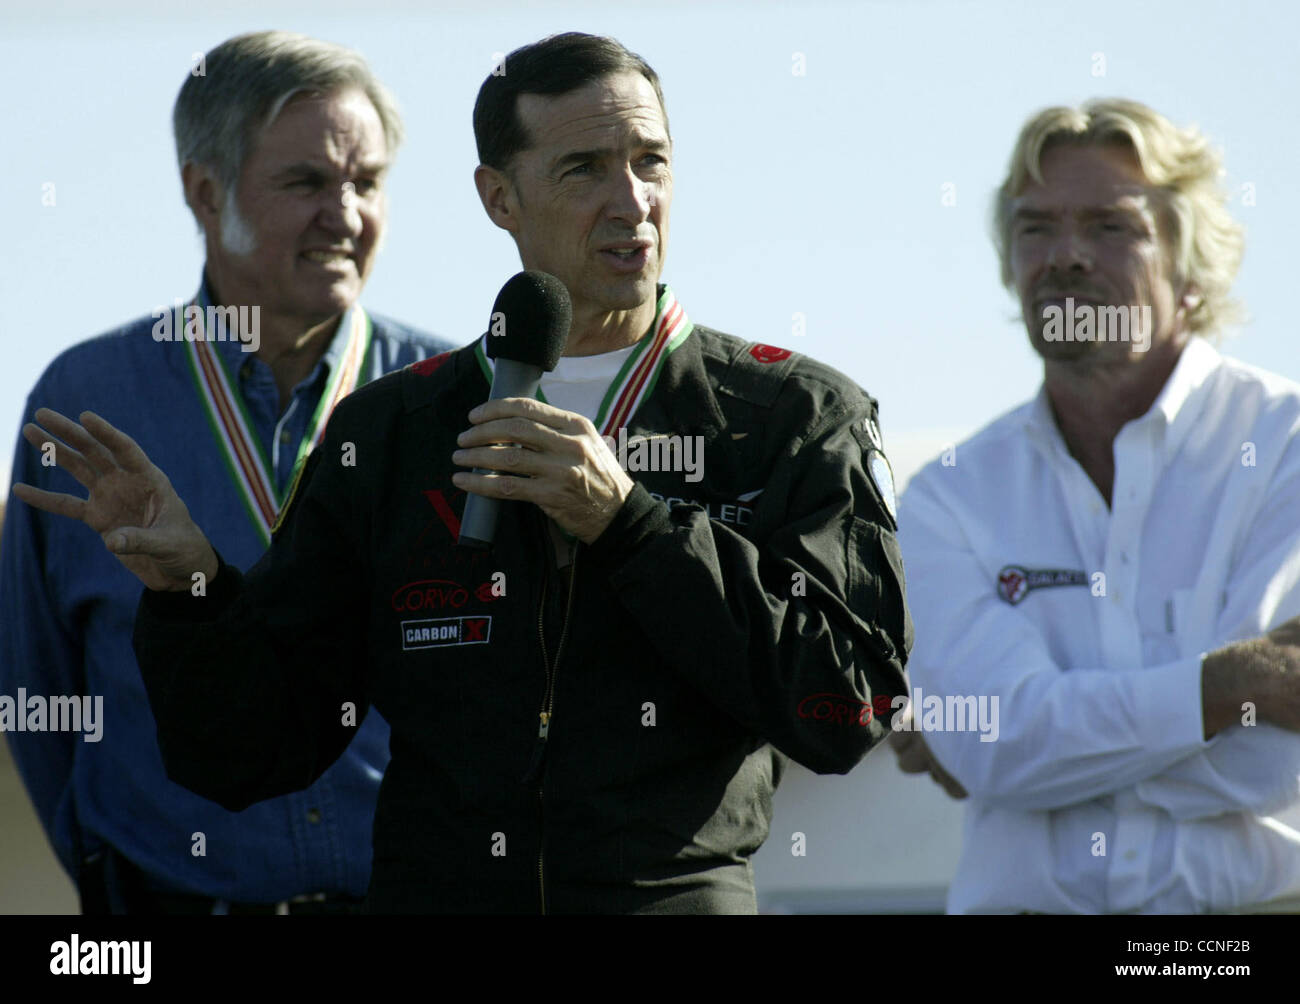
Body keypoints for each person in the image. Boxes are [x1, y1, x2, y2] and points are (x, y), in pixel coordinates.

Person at [13, 32, 911, 914]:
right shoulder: (393, 429)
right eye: (584, 168)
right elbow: (248, 755)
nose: (631, 200)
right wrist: (193, 589)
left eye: (651, 161)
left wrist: (632, 523)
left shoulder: (793, 413)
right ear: (498, 197)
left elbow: (849, 706)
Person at [0, 31, 453, 915]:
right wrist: (103, 875)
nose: (346, 214)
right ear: (205, 192)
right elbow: (38, 689)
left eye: (366, 183)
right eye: (307, 183)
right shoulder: (88, 402)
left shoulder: (446, 402)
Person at [892, 98, 1300, 913]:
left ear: (1192, 266)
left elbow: (1272, 762)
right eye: (1036, 227)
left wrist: (1040, 753)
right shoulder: (949, 494)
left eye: (1111, 226)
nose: (1067, 256)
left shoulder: (1286, 446)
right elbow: (993, 744)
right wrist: (1218, 684)